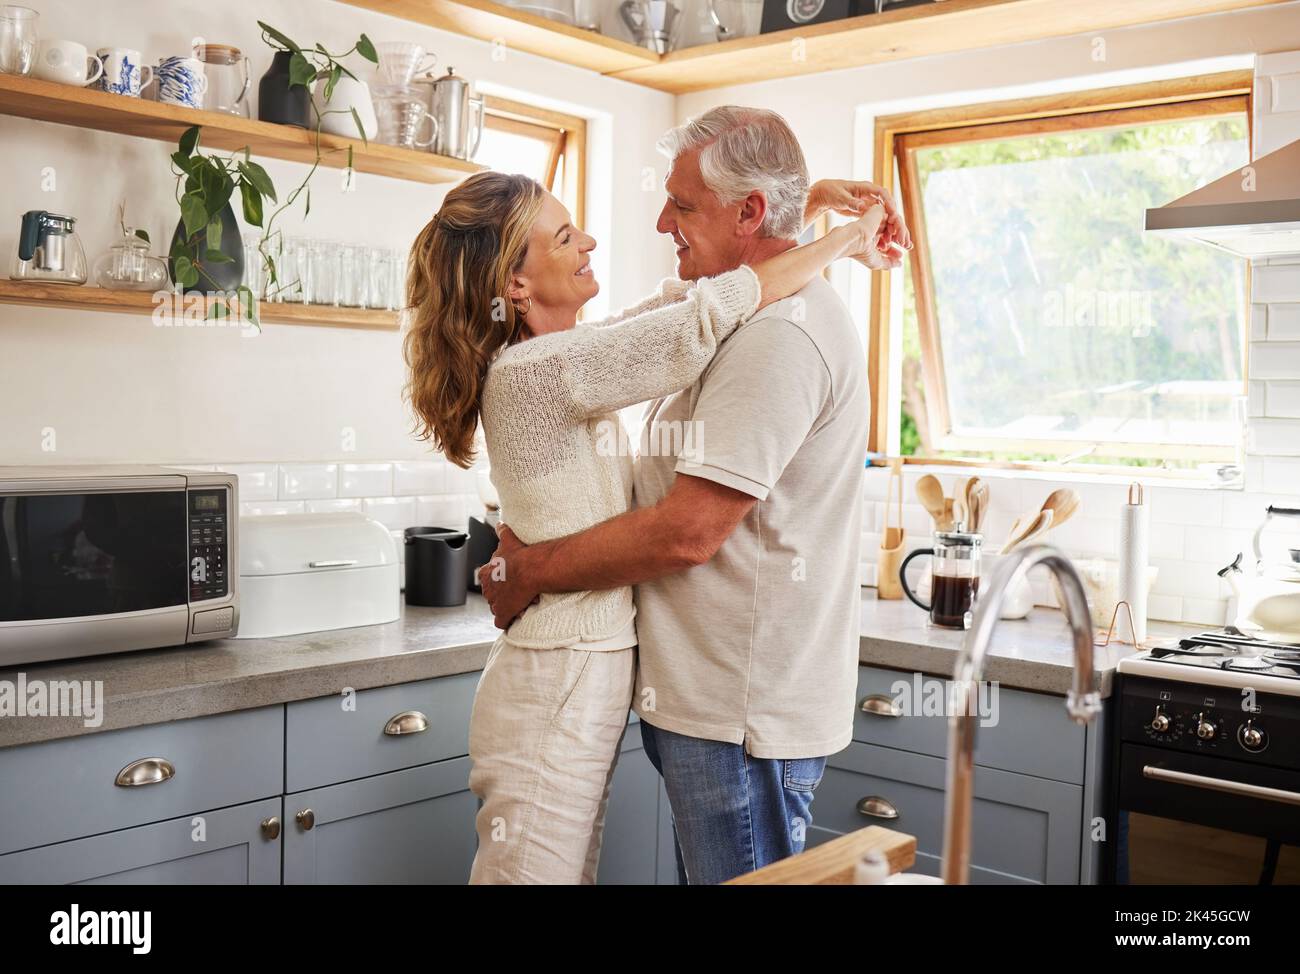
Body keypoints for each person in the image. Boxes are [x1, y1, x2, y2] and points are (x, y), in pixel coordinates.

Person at [404, 159, 897, 884]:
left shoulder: (557, 357)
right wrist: (846, 239)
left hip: (575, 673)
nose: (590, 243)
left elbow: (682, 305)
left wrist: (806, 210)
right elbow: (702, 318)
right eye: (565, 238)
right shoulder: (537, 374)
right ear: (514, 284)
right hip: (555, 679)